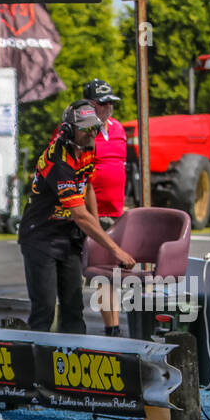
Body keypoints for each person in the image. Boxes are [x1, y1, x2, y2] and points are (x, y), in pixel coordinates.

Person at [18, 101, 135, 334]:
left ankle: (74, 364)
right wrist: (115, 249)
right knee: (45, 310)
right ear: (69, 130)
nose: (92, 132)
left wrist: (96, 225)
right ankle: (36, 366)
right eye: (86, 128)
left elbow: (87, 185)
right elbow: (79, 215)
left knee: (73, 308)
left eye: (95, 127)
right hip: (40, 236)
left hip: (67, 235)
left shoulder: (89, 148)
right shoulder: (58, 160)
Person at [84, 79, 129, 336]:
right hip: (89, 214)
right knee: (97, 272)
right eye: (103, 103)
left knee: (110, 273)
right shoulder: (79, 130)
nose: (109, 107)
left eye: (111, 102)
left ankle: (113, 328)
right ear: (90, 105)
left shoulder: (118, 128)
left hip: (115, 211)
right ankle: (106, 327)